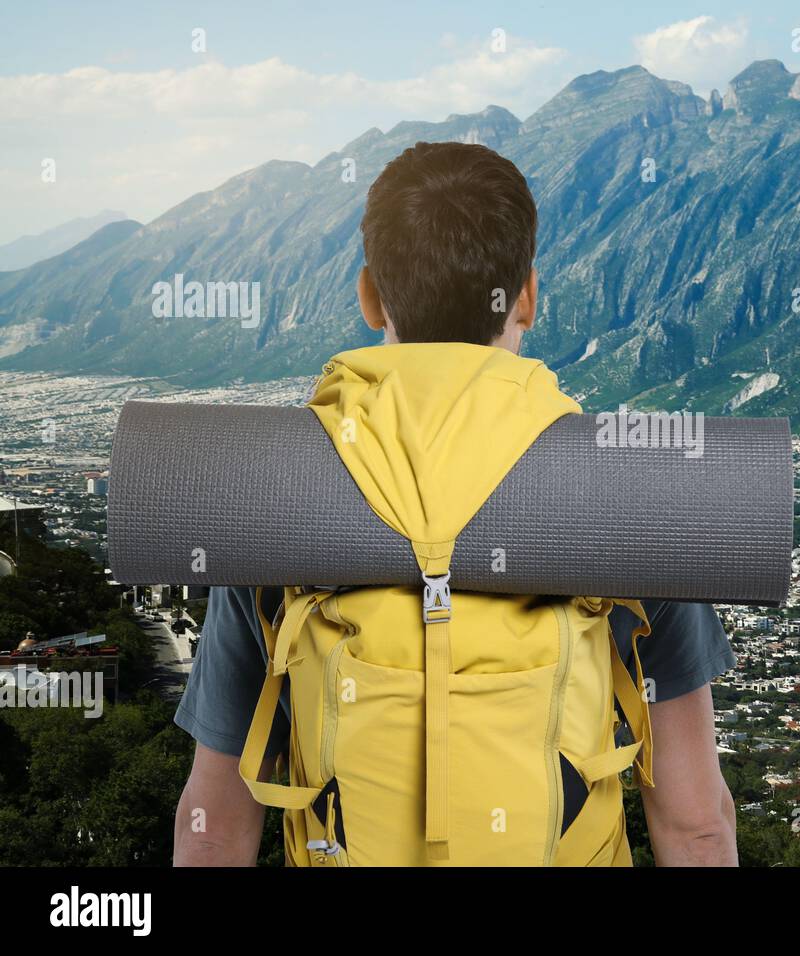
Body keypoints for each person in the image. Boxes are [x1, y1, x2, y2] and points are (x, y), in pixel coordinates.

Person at [172, 141, 738, 866]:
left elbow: (215, 824)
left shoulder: (281, 496)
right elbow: (695, 825)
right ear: (527, 296)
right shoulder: (623, 496)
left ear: (370, 294)